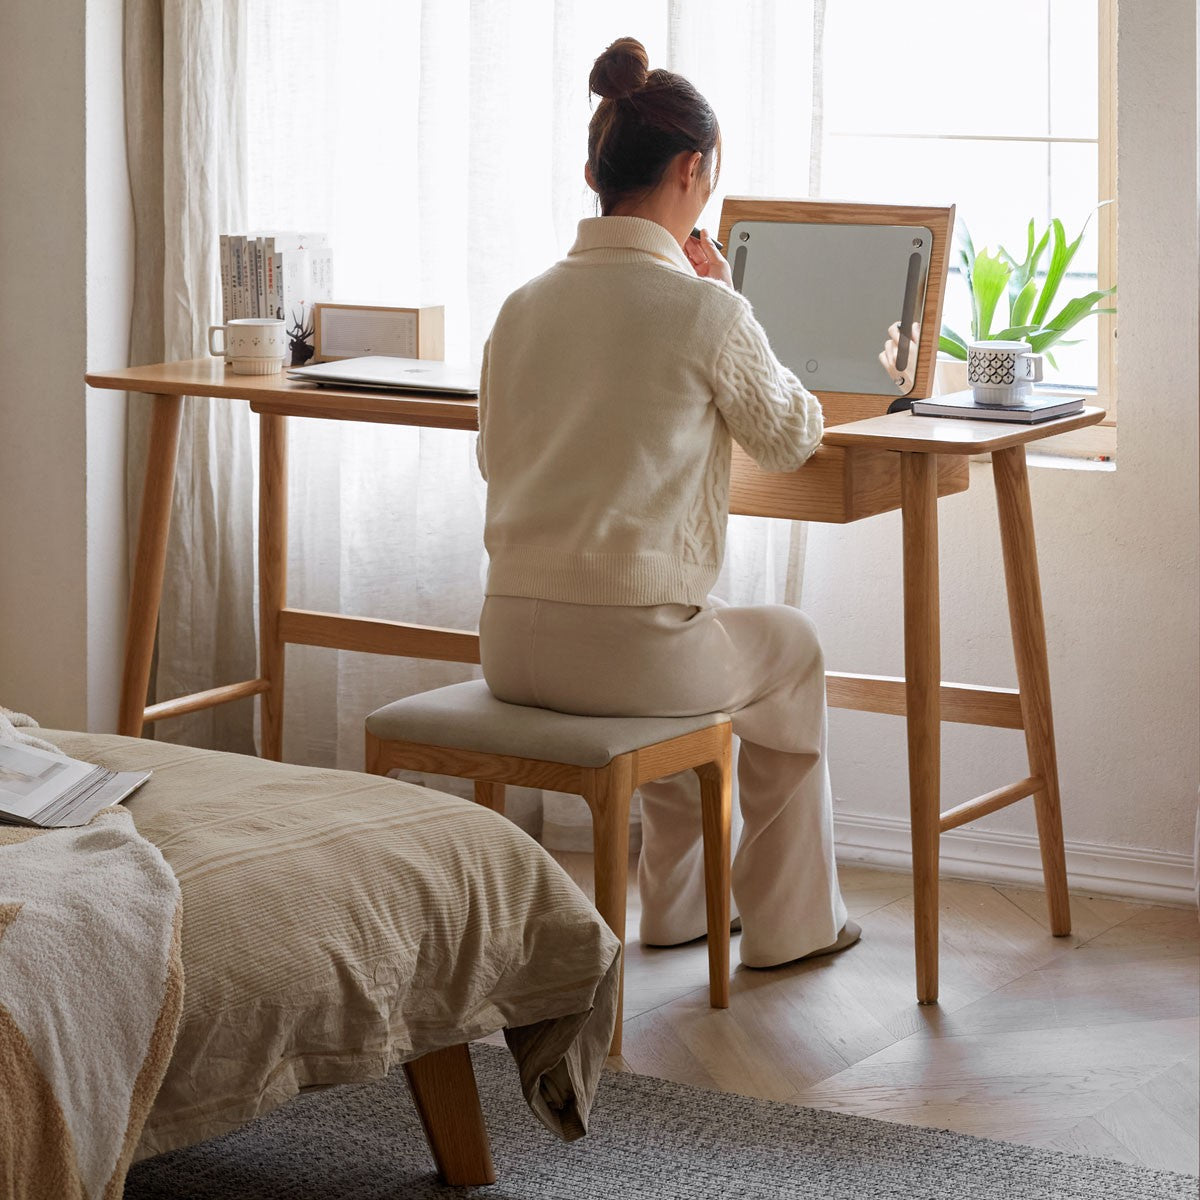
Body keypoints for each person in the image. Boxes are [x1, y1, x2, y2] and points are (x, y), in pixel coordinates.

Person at [474, 36, 857, 968]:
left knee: (692, 643)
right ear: (692, 169)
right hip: (628, 658)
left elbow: (494, 458)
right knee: (786, 650)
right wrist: (729, 301)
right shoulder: (706, 310)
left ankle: (682, 908)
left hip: (507, 647)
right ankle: (793, 926)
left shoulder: (520, 306)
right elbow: (792, 436)